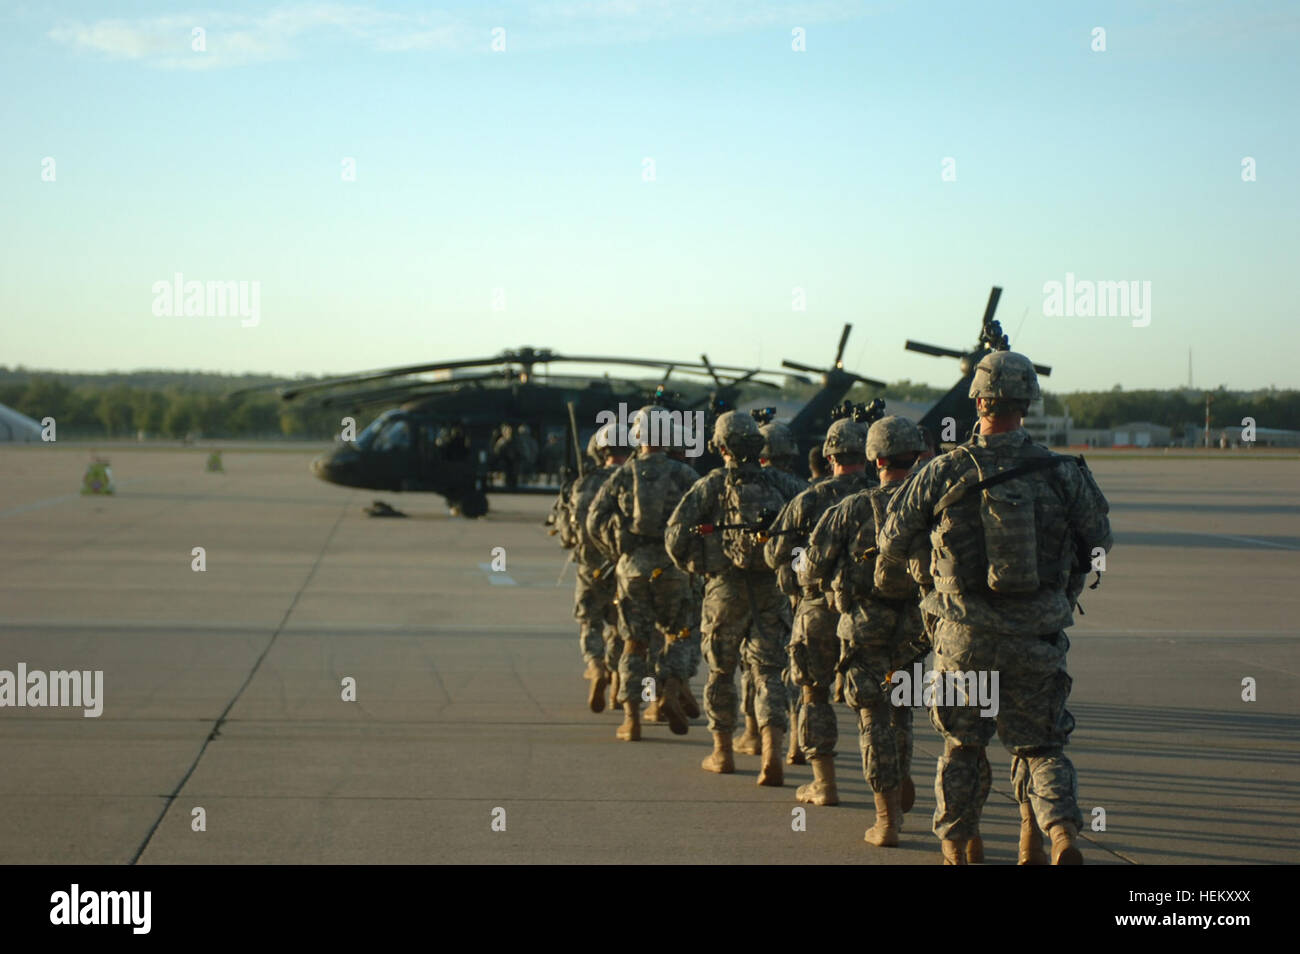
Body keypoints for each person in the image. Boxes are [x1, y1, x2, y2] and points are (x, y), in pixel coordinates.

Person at [875, 352, 1112, 864]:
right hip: (1037, 636)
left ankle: (958, 848)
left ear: (978, 401)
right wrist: (1062, 592)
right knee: (1042, 747)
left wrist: (931, 570)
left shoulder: (943, 470)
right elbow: (1099, 542)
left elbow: (892, 540)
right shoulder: (1062, 473)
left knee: (963, 746)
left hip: (965, 637)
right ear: (1026, 404)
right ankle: (1060, 833)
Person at [803, 416, 926, 844]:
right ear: (916, 454)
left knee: (872, 717)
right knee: (902, 710)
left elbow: (811, 568)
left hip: (863, 628)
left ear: (875, 458)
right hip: (917, 628)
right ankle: (902, 775)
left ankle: (887, 819)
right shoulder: (934, 504)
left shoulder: (850, 508)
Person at [665, 412, 806, 784]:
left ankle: (722, 752)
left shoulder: (711, 484)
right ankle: (772, 752)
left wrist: (700, 564)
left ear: (720, 446)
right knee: (769, 673)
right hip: (769, 589)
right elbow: (810, 524)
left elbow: (676, 535)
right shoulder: (784, 483)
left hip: (724, 590)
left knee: (721, 672)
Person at [764, 418, 877, 805]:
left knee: (814, 693)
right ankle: (888, 783)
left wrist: (800, 568)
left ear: (829, 455)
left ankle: (824, 783)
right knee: (876, 702)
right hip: (876, 612)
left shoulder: (809, 498)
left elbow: (775, 553)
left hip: (817, 608)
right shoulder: (887, 495)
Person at [587, 407, 701, 741]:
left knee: (634, 643)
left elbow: (595, 520)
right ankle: (670, 688)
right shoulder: (684, 475)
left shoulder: (623, 475)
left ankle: (632, 718)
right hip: (673, 569)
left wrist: (616, 547)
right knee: (678, 635)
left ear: (638, 436)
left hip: (633, 569)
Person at [552, 427, 629, 712]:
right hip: (622, 564)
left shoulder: (582, 484)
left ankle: (596, 667)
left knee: (589, 621)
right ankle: (617, 681)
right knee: (620, 624)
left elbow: (568, 531)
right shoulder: (631, 481)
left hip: (589, 564)